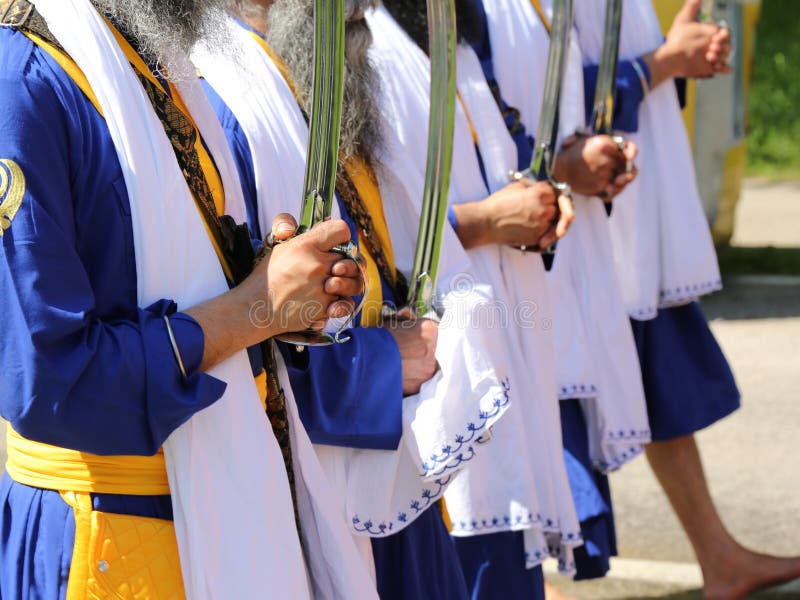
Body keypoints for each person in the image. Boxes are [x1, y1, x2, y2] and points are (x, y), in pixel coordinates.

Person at [0, 0, 372, 597]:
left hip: (230, 493)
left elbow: (195, 279)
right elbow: (50, 382)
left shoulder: (146, 55)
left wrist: (289, 287)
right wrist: (256, 307)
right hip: (111, 535)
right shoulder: (23, 78)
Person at [196, 1, 514, 597]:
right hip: (315, 481)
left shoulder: (319, 84)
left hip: (393, 455)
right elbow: (230, 335)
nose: (371, 4)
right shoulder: (224, 102)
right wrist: (384, 361)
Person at [573, 1, 800, 598]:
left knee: (658, 386)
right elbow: (542, 97)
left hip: (634, 219)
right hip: (588, 225)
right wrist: (665, 60)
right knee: (557, 400)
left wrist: (679, 59)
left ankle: (719, 557)